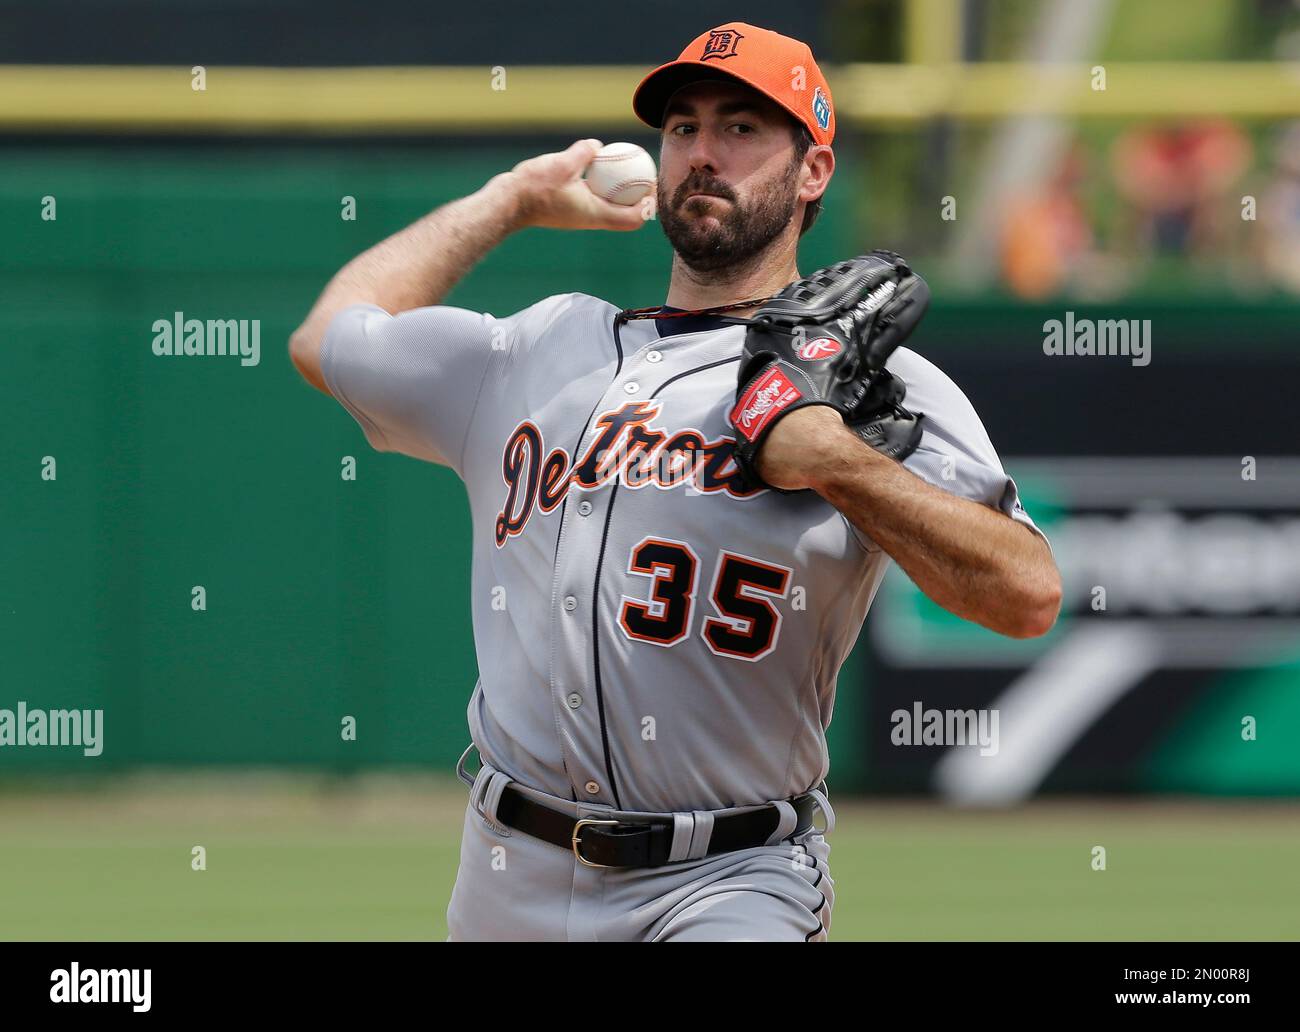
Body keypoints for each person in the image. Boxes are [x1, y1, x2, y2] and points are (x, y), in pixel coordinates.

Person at [289, 22, 1061, 941]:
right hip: (507, 869)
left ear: (813, 171)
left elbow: (1026, 594)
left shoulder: (871, 382)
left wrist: (833, 457)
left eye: (741, 129)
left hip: (729, 879)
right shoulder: (538, 348)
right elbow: (329, 337)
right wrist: (508, 201)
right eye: (684, 128)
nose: (703, 154)